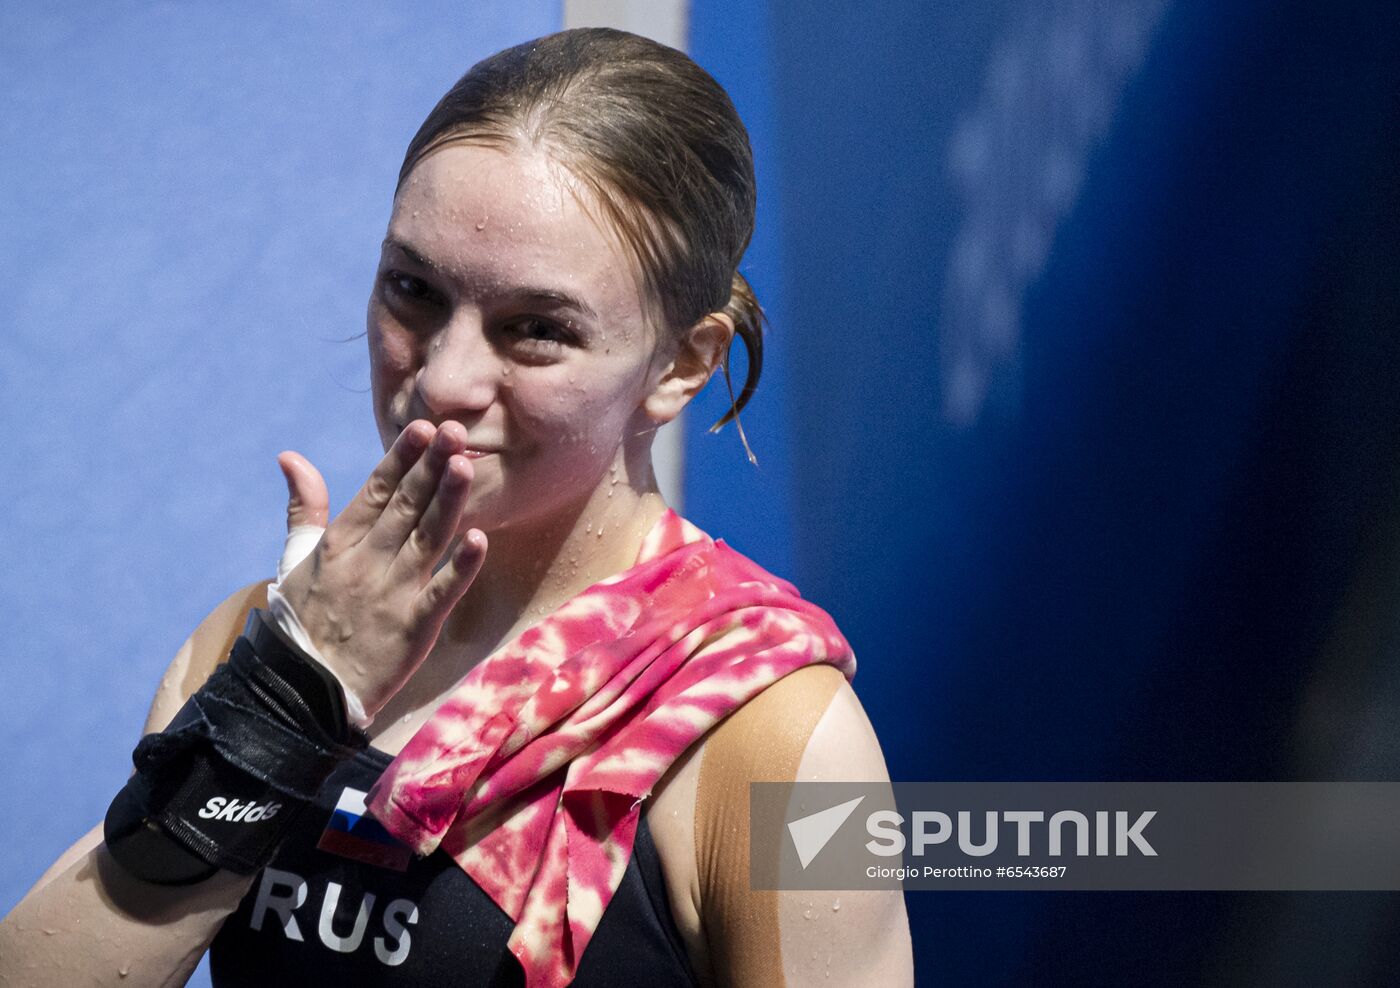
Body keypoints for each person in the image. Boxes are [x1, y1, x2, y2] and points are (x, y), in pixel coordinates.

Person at [0, 27, 912, 987]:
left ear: (682, 363)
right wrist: (280, 713)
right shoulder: (254, 648)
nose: (442, 378)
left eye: (536, 330)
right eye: (413, 290)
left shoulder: (780, 742)